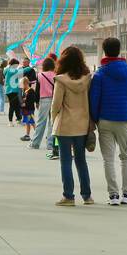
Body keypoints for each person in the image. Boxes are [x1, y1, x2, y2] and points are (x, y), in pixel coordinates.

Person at [88, 37, 127, 206]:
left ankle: (113, 195)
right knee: (125, 157)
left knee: (108, 159)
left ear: (104, 51)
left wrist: (96, 118)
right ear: (119, 50)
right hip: (124, 119)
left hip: (105, 119)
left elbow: (94, 99)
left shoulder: (100, 73)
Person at [50, 45, 94, 205]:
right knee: (81, 161)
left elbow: (56, 104)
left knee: (66, 161)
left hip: (65, 126)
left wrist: (52, 119)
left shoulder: (61, 80)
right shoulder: (87, 78)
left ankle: (68, 196)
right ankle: (87, 196)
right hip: (82, 125)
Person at [28, 57, 56, 152]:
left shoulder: (40, 75)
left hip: (43, 100)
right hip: (54, 100)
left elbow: (37, 90)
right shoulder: (55, 75)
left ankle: (35, 143)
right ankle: (50, 144)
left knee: (41, 122)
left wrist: (36, 102)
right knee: (52, 123)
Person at [19, 74, 38, 141]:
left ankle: (37, 134)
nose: (21, 86)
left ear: (26, 83)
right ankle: (27, 135)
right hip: (25, 110)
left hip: (29, 109)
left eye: (22, 84)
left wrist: (25, 104)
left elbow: (31, 101)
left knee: (32, 122)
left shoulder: (31, 91)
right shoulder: (24, 91)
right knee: (27, 122)